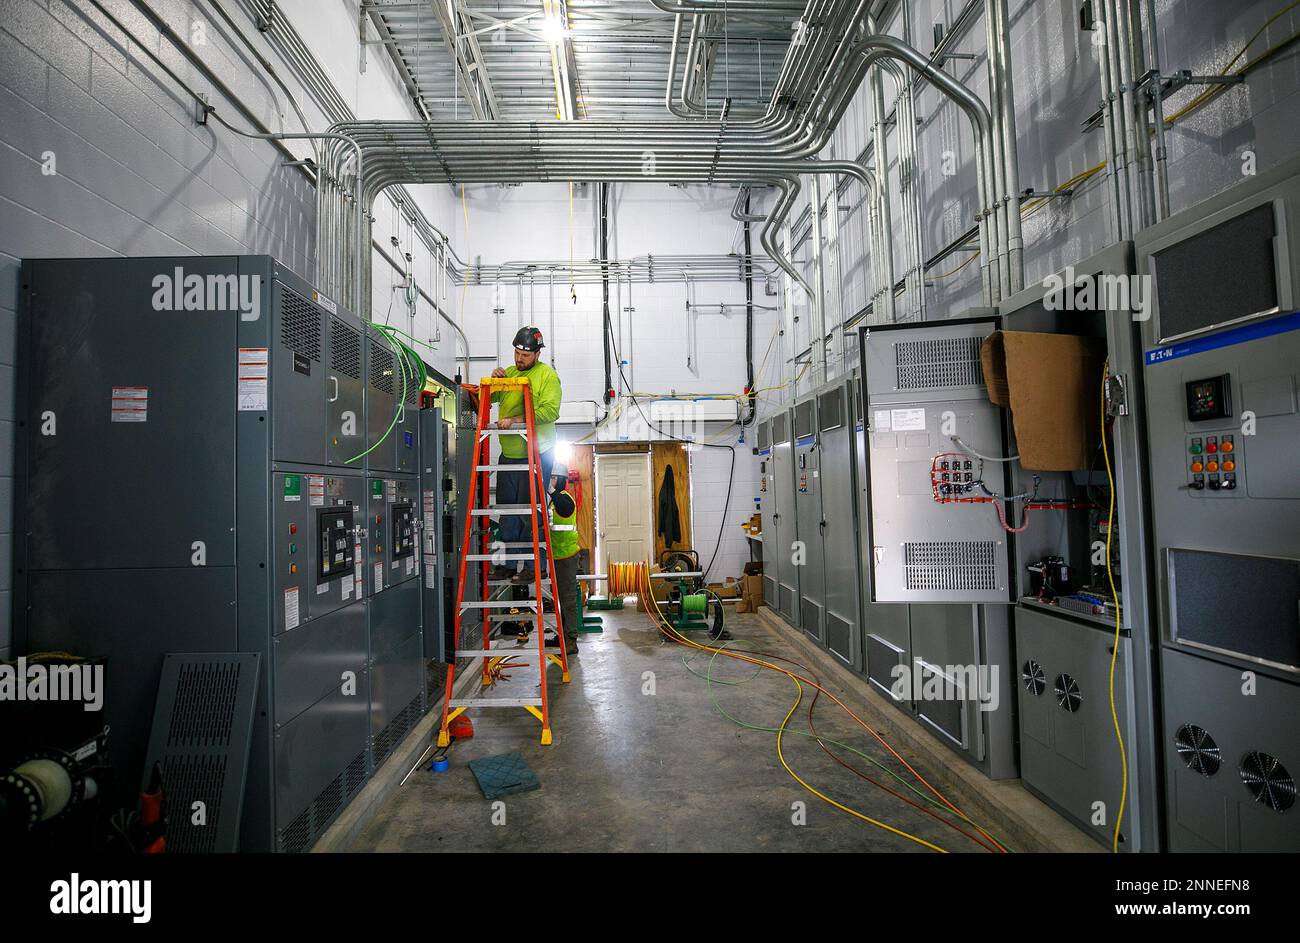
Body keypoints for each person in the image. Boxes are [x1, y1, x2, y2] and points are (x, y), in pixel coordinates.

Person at [490, 326, 562, 581]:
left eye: (525, 355)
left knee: (530, 511)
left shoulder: (547, 376)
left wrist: (518, 420)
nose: (519, 359)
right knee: (508, 511)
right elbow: (486, 400)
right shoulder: (509, 374)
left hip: (536, 453)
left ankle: (534, 567)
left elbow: (550, 411)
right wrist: (495, 380)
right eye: (517, 353)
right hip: (509, 454)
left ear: (537, 355)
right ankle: (508, 564)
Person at [547, 463, 581, 655]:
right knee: (557, 599)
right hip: (557, 556)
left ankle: (571, 641)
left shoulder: (564, 499)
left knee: (567, 599)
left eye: (553, 478)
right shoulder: (554, 501)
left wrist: (551, 491)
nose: (550, 481)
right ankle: (562, 636)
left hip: (566, 557)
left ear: (560, 480)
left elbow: (564, 508)